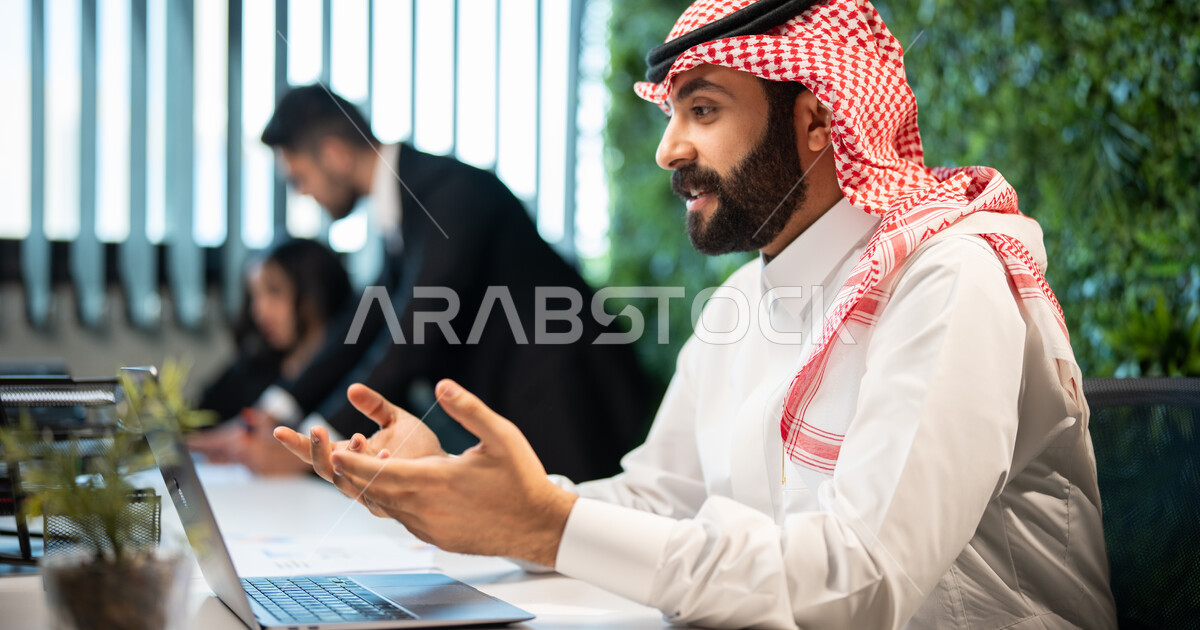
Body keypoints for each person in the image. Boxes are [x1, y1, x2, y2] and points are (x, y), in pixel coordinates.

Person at [275, 1, 1118, 628]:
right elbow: (659, 499)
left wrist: (550, 524)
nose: (667, 149)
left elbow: (860, 585)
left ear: (819, 120)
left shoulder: (949, 280)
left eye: (703, 111)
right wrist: (490, 506)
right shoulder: (740, 303)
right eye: (674, 113)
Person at [242, 85, 651, 481]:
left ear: (334, 154)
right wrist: (277, 409)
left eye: (299, 178)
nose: (303, 193)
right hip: (530, 396)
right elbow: (361, 327)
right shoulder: (406, 207)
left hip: (568, 396)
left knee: (569, 538)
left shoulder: (448, 194)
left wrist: (317, 446)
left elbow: (413, 337)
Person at [189, 238, 352, 475]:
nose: (259, 311)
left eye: (274, 292)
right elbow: (194, 420)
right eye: (254, 296)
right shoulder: (252, 367)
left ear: (314, 292)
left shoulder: (352, 379)